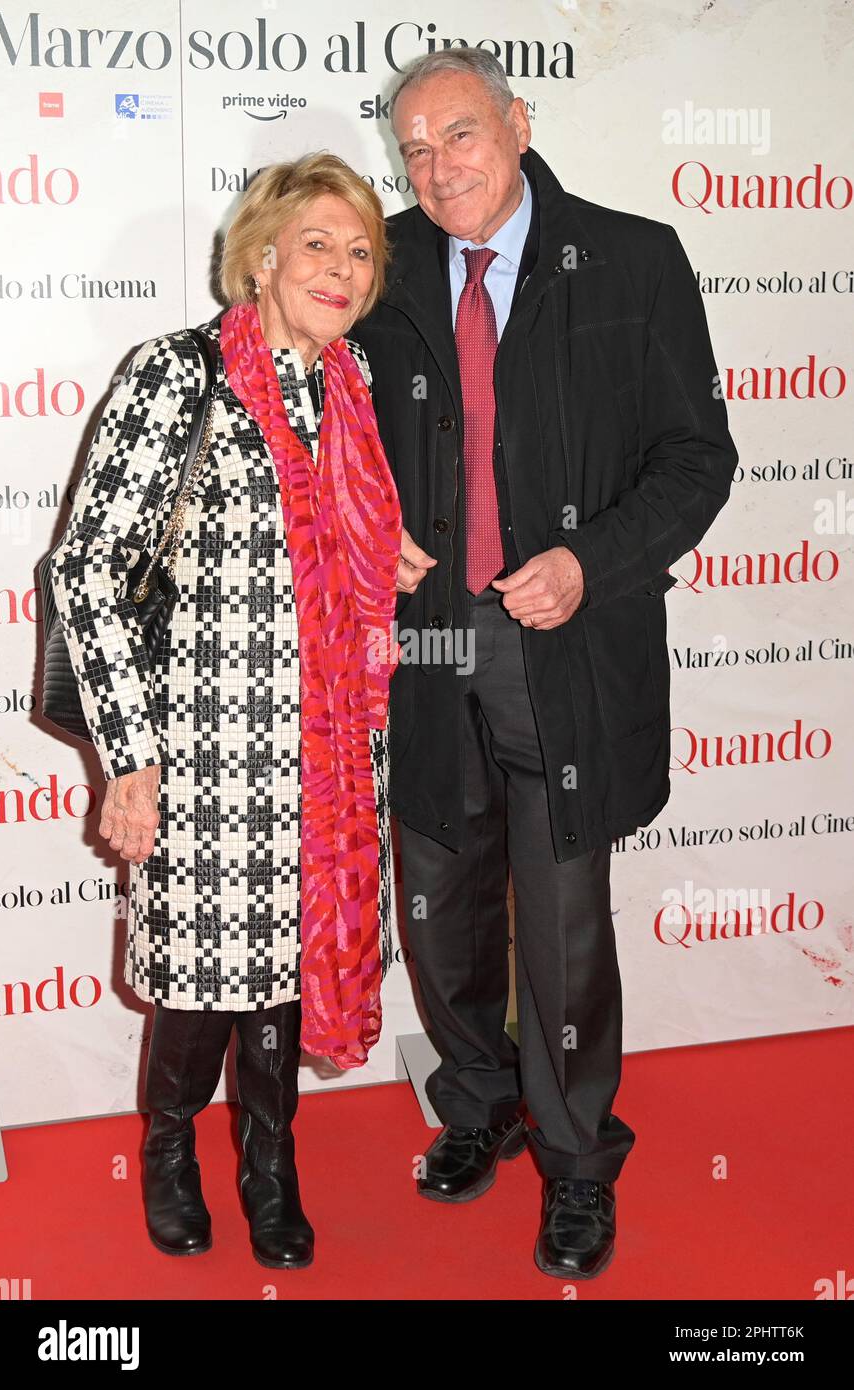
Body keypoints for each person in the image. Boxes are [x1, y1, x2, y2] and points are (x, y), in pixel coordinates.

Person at [352, 48, 738, 1279]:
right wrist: (375, 530)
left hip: (559, 644)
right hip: (427, 645)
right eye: (411, 149)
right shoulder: (383, 268)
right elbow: (324, 440)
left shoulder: (631, 259)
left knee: (563, 923)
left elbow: (694, 458)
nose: (435, 168)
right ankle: (477, 1104)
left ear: (519, 124)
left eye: (457, 135)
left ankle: (576, 1159)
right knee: (442, 898)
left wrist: (588, 564)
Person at [50, 152, 402, 1268]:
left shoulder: (348, 390)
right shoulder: (179, 374)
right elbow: (88, 570)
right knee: (201, 985)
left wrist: (380, 555)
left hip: (328, 758)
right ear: (261, 256)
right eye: (317, 245)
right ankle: (166, 1149)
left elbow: (326, 552)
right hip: (200, 753)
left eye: (359, 252)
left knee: (284, 983)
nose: (339, 269)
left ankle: (268, 1163)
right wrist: (133, 758)